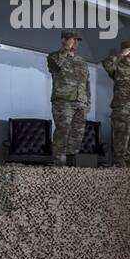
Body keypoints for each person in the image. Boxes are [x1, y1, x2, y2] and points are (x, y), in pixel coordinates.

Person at [101, 39, 130, 166]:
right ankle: (120, 163)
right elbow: (106, 64)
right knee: (122, 135)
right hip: (123, 107)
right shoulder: (117, 66)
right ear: (125, 50)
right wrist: (121, 54)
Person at [46, 30, 89, 162]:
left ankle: (71, 164)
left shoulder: (82, 61)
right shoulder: (53, 56)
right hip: (63, 101)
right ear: (63, 40)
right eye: (72, 39)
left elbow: (86, 83)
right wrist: (66, 49)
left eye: (77, 40)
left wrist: (88, 103)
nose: (75, 42)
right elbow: (58, 64)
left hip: (81, 102)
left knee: (77, 134)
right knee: (63, 132)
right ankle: (58, 164)